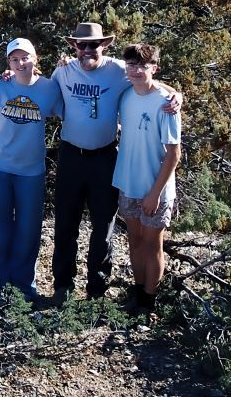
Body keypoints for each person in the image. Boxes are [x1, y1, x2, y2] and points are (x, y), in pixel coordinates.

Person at [50, 22, 182, 304]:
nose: (87, 50)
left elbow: (149, 79)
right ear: (73, 46)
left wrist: (177, 95)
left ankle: (97, 288)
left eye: (93, 45)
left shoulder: (119, 69)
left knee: (103, 225)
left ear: (104, 46)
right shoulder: (62, 70)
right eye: (81, 45)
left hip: (105, 157)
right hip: (72, 155)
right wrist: (11, 74)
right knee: (65, 224)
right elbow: (40, 89)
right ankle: (63, 286)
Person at [0, 38, 63, 302]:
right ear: (8, 63)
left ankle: (24, 286)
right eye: (14, 59)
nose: (20, 63)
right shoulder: (0, 85)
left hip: (31, 171)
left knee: (28, 230)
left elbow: (71, 113)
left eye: (25, 57)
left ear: (35, 58)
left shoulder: (50, 88)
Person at [113, 43, 182, 314]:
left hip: (157, 187)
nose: (136, 70)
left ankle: (149, 302)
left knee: (153, 243)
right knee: (134, 240)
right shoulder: (125, 96)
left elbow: (174, 154)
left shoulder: (166, 103)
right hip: (128, 181)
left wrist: (155, 192)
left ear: (154, 67)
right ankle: (138, 292)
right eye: (131, 65)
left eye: (143, 65)